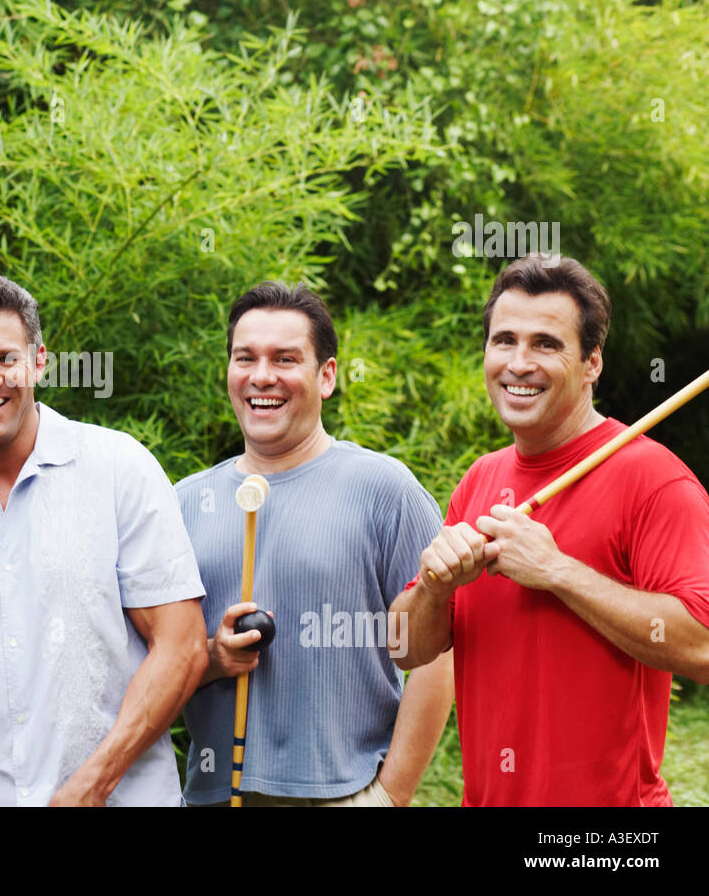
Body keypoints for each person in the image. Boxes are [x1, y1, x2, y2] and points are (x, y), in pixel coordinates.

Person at [390, 254, 709, 805]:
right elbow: (404, 648)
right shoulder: (481, 479)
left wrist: (557, 571)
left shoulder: (654, 479)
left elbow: (702, 646)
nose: (519, 363)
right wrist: (435, 586)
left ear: (591, 364)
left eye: (546, 344)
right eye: (504, 340)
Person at [0, 273, 208, 806]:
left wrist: (91, 787)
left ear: (38, 362)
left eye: (7, 358)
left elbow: (182, 646)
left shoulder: (118, 468)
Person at [176, 281, 454, 806]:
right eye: (245, 358)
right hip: (215, 794)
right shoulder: (183, 503)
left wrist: (390, 795)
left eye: (285, 359)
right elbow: (153, 663)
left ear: (326, 376)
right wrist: (213, 658)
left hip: (347, 793)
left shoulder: (385, 490)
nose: (262, 377)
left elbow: (439, 653)